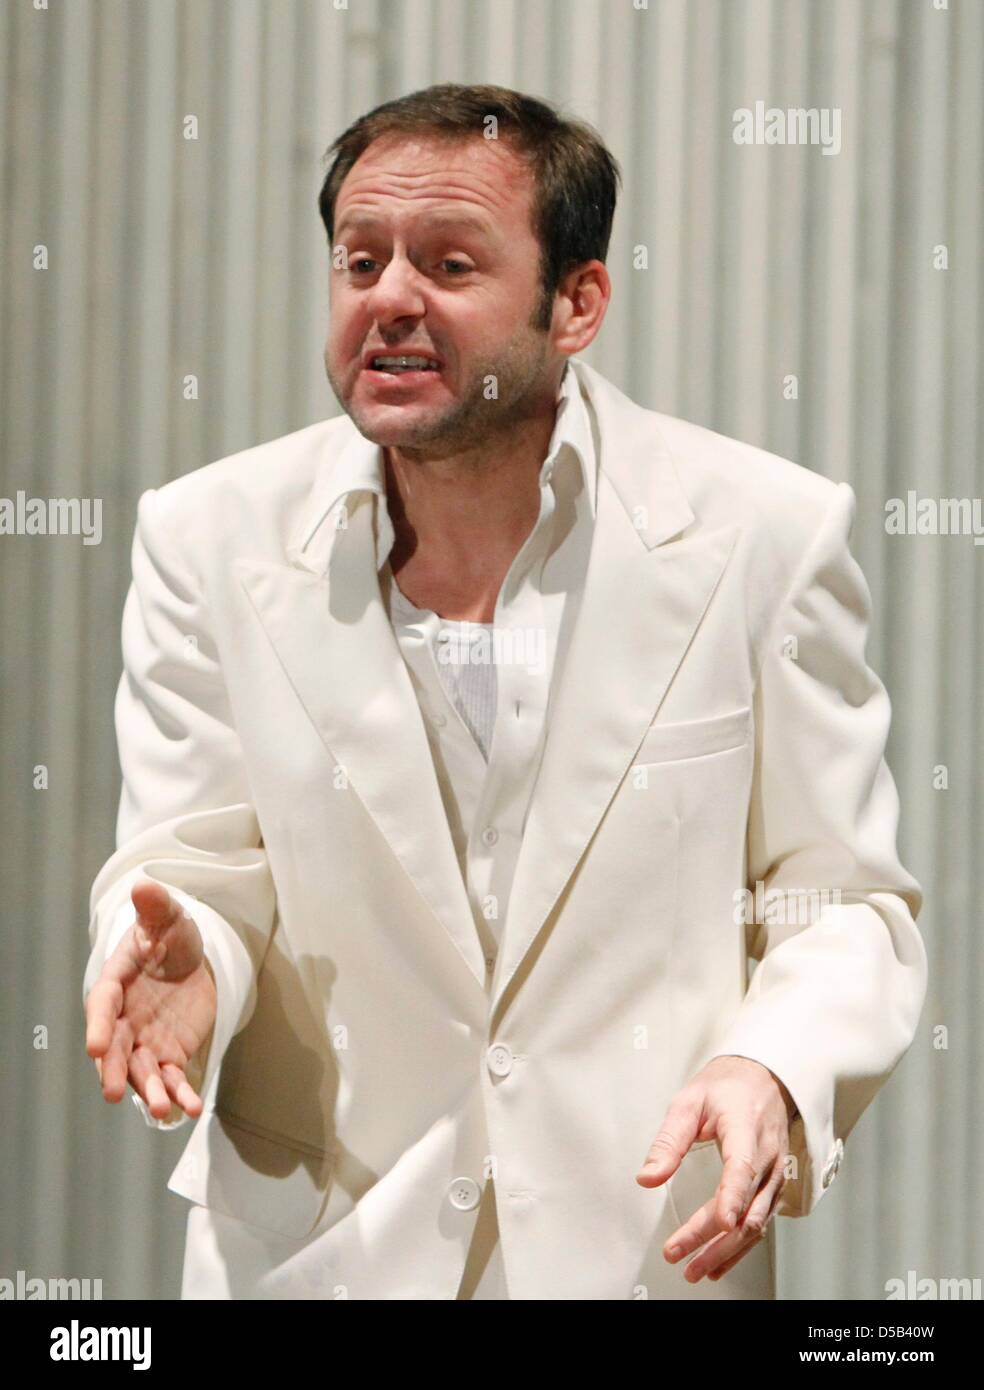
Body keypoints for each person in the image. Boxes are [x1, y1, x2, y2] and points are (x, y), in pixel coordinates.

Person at [83, 83, 927, 1301]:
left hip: (642, 1258)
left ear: (576, 301)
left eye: (450, 263)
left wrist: (775, 1065)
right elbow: (195, 865)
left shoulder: (764, 534)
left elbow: (844, 899)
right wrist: (194, 954)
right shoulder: (207, 537)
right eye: (360, 259)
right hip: (320, 1261)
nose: (389, 300)